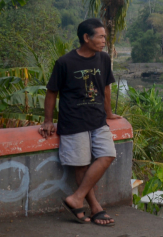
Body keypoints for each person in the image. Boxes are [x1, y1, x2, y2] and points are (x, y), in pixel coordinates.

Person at [40, 18, 120, 226]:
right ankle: (95, 208)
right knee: (81, 165)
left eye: (105, 36)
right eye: (101, 36)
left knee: (108, 154)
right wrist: (48, 121)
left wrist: (109, 113)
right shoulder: (65, 62)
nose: (105, 41)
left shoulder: (103, 59)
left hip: (98, 120)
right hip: (73, 121)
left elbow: (105, 89)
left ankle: (76, 198)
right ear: (86, 37)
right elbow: (51, 92)